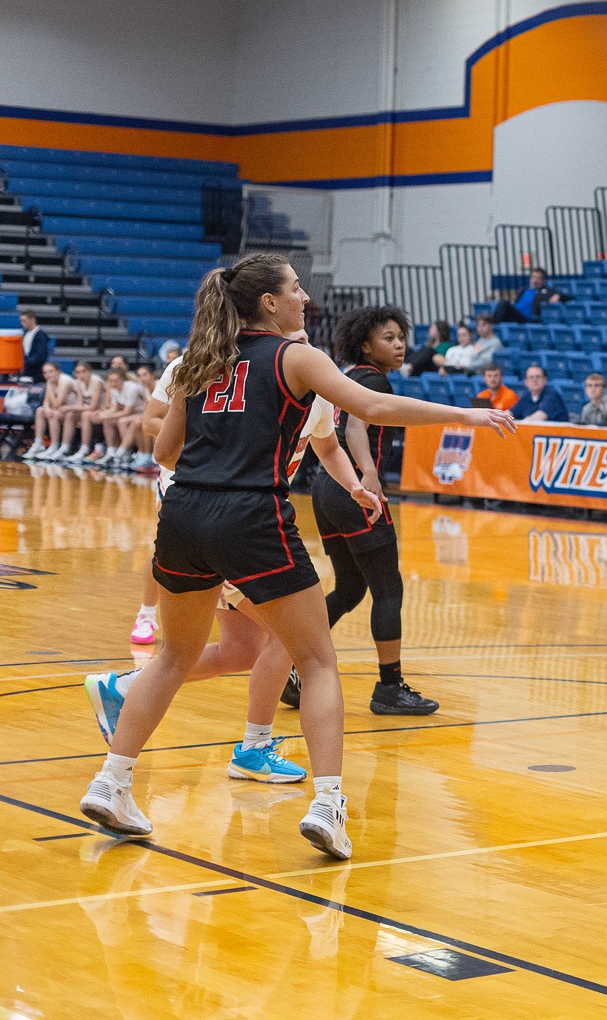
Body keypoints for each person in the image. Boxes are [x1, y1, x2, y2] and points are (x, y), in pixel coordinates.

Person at [78, 254, 511, 860]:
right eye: (296, 288)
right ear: (269, 303)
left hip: (183, 514)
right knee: (317, 660)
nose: (305, 297)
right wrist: (466, 414)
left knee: (173, 656)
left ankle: (112, 782)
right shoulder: (295, 357)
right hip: (250, 515)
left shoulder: (201, 359)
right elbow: (374, 408)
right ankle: (328, 806)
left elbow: (167, 453)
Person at [93, 329, 380, 762]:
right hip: (214, 511)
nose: (301, 341)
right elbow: (156, 432)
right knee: (288, 635)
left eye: (305, 339)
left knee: (240, 650)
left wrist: (355, 486)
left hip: (247, 514)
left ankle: (125, 688)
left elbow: (327, 446)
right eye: (293, 332)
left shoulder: (312, 382)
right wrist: (216, 462)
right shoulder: (200, 365)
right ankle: (253, 747)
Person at [291, 304, 442, 717]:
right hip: (355, 490)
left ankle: (291, 668)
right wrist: (369, 473)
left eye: (401, 337)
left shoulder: (345, 377)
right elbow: (357, 426)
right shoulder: (374, 380)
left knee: (350, 588)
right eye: (388, 338)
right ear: (365, 345)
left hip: (326, 489)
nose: (399, 345)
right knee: (389, 590)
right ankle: (390, 687)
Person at [25, 361, 77, 460]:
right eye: (45, 372)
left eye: (51, 371)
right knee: (40, 410)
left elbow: (57, 404)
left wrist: (49, 387)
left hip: (75, 411)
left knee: (54, 413)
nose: (48, 375)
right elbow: (46, 402)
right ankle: (38, 443)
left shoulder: (64, 381)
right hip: (63, 410)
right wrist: (47, 408)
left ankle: (56, 446)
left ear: (58, 371)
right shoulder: (51, 381)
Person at [19, 310, 51, 375]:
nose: (22, 323)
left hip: (37, 371)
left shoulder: (41, 335)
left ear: (32, 320)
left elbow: (40, 355)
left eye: (24, 321)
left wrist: (24, 363)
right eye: (21, 321)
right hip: (26, 369)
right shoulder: (24, 334)